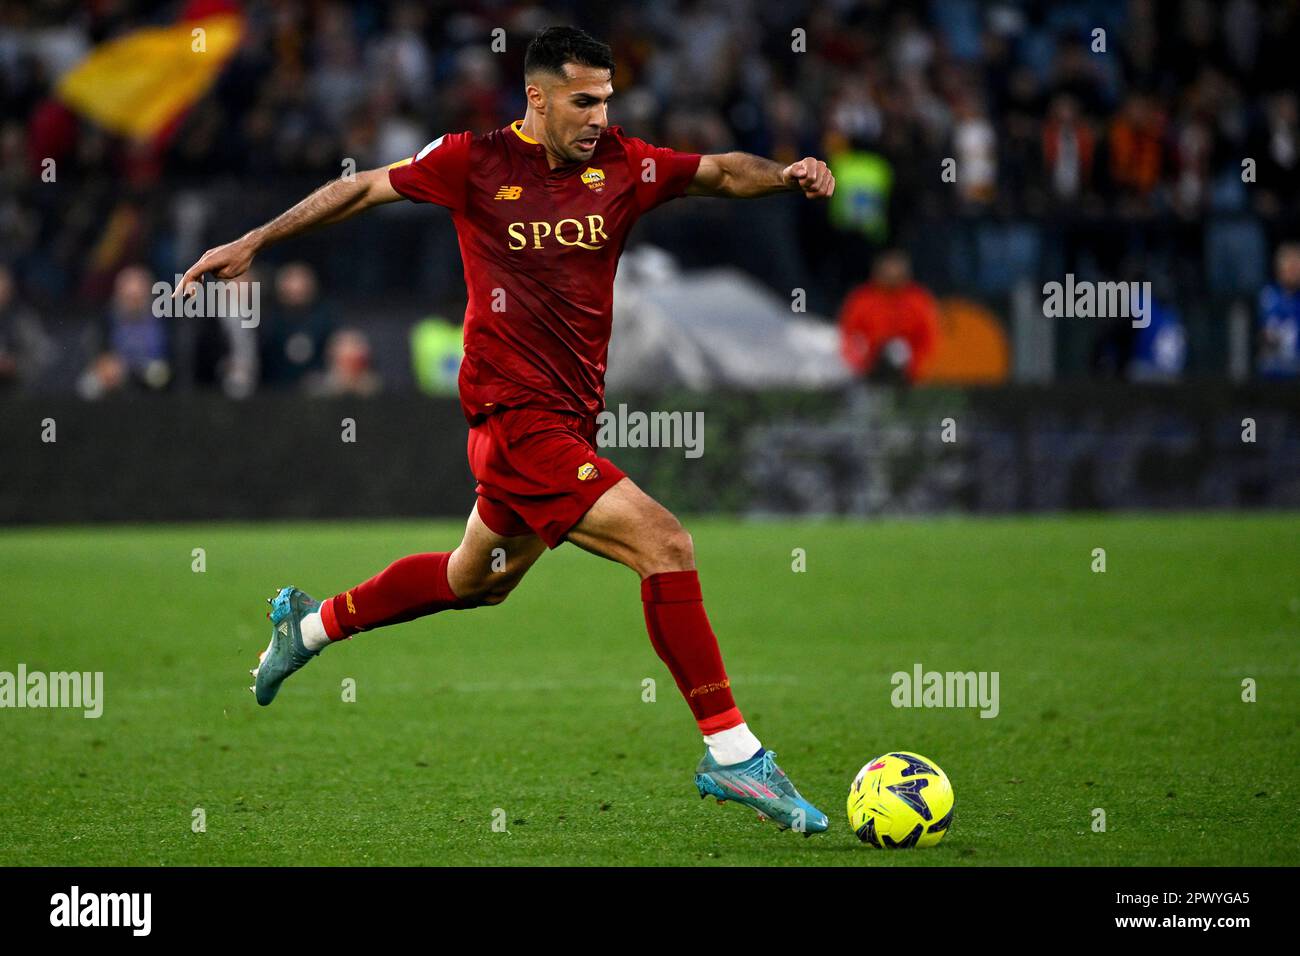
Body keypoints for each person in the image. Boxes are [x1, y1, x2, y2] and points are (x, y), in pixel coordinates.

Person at [177, 27, 836, 834]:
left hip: (567, 423)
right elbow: (360, 190)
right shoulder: (472, 162)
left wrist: (786, 175)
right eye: (584, 100)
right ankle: (736, 758)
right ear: (537, 97)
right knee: (665, 544)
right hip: (513, 419)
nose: (600, 116)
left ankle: (307, 625)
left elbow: (720, 171)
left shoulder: (624, 165)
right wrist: (256, 241)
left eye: (607, 99)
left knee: (473, 581)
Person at [838, 249, 940, 384]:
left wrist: (915, 369)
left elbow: (929, 339)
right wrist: (861, 364)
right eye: (887, 269)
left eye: (896, 269)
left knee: (898, 349)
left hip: (909, 369)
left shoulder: (918, 300)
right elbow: (847, 336)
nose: (891, 274)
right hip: (868, 366)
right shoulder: (861, 299)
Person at [1258, 241, 1300, 379]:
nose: (1293, 271)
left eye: (1296, 266)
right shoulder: (1268, 295)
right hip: (1271, 370)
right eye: (1289, 266)